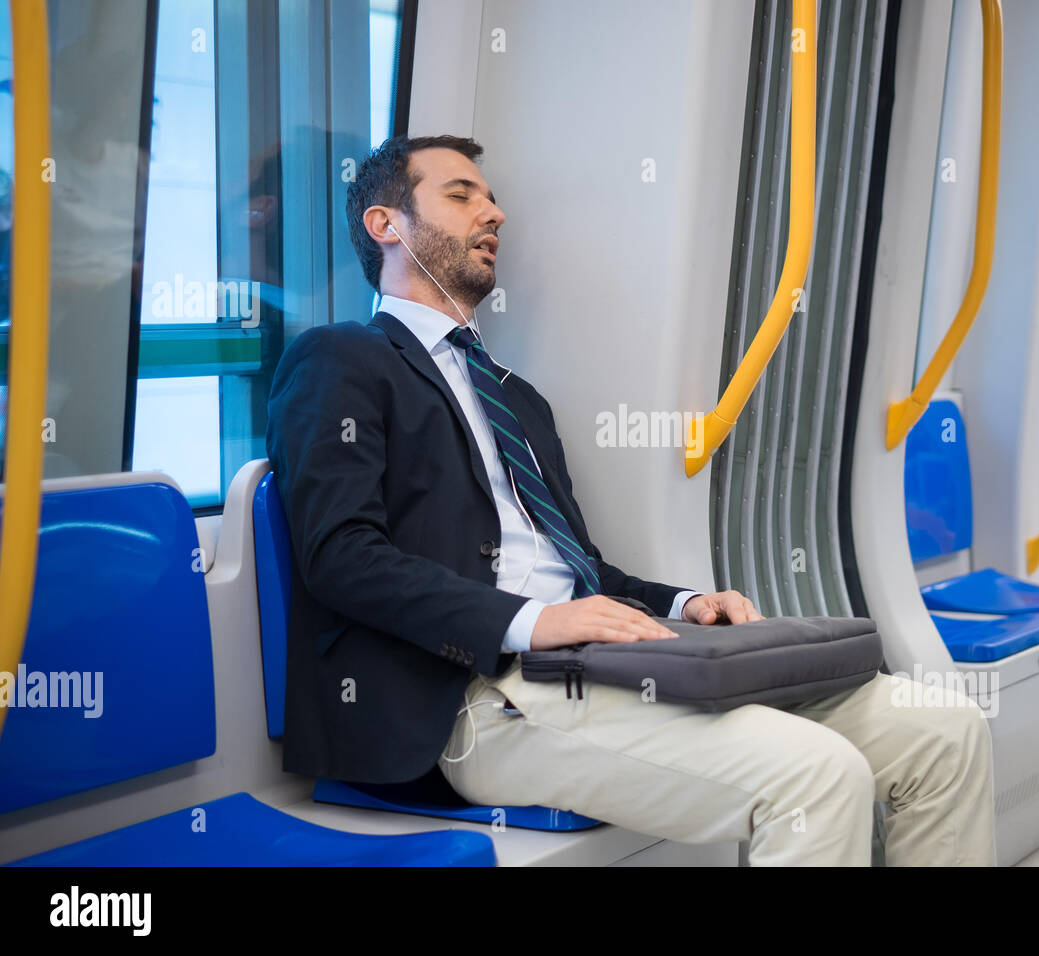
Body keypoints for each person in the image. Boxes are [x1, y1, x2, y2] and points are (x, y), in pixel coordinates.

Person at [266, 134, 996, 866]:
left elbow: (585, 574)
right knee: (819, 774)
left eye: (490, 198)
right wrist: (531, 622)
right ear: (385, 225)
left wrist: (684, 606)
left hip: (604, 668)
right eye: (461, 195)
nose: (493, 213)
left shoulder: (519, 401)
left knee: (946, 732)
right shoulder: (342, 360)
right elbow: (341, 556)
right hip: (476, 696)